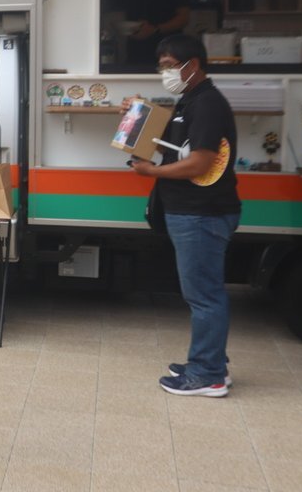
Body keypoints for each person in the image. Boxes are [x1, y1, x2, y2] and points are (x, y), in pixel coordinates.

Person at [126, 34, 239, 397]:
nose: (165, 72)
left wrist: (151, 173)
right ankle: (210, 364)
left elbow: (200, 162)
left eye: (170, 66)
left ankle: (207, 375)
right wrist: (135, 117)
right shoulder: (188, 102)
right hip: (190, 212)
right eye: (162, 66)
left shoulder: (207, 104)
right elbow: (176, 148)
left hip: (201, 213)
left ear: (193, 65)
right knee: (202, 293)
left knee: (204, 295)